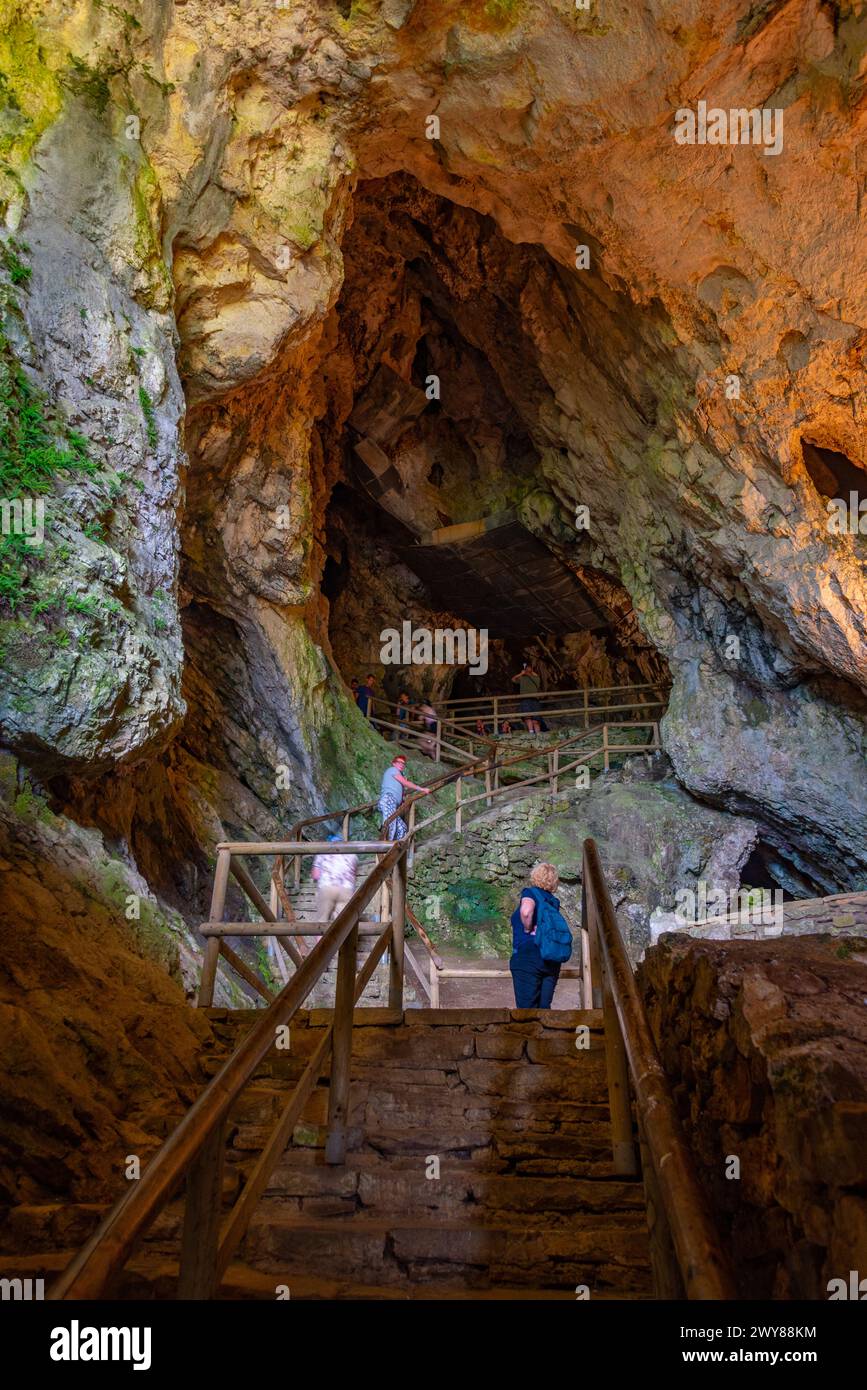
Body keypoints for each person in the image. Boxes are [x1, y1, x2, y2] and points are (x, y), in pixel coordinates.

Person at [509, 862, 564, 1009]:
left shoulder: (530, 893)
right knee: (544, 1011)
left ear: (535, 876)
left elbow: (526, 911)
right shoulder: (553, 902)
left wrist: (527, 929)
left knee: (527, 1012)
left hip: (528, 956)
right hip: (551, 959)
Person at [310, 834, 359, 942]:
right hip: (347, 890)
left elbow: (315, 874)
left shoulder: (323, 851)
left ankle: (321, 948)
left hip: (327, 887)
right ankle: (341, 949)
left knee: (322, 920)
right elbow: (354, 874)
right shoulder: (352, 854)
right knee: (342, 922)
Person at [378, 754, 431, 840]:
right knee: (391, 825)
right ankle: (385, 849)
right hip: (388, 799)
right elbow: (405, 783)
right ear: (393, 763)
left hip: (394, 804)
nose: (402, 765)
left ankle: (397, 849)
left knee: (402, 828)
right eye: (399, 762)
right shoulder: (392, 770)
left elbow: (401, 789)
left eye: (403, 763)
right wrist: (421, 789)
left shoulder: (399, 775)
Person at [512, 657, 542, 734]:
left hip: (534, 699)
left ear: (531, 669)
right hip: (525, 699)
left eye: (529, 668)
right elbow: (513, 679)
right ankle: (531, 733)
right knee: (528, 718)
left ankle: (538, 735)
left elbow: (536, 677)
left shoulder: (535, 677)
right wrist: (521, 674)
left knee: (536, 719)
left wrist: (526, 673)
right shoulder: (522, 678)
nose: (527, 669)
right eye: (526, 668)